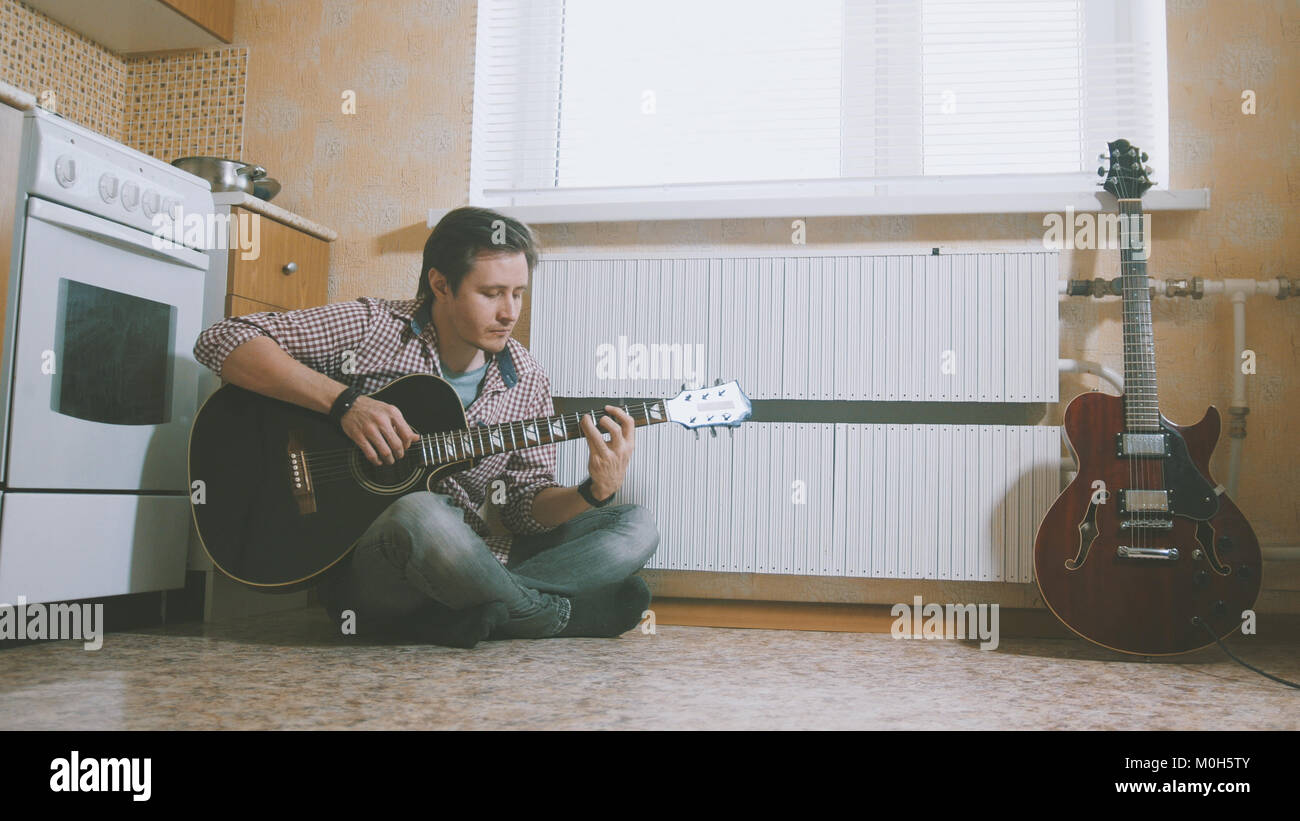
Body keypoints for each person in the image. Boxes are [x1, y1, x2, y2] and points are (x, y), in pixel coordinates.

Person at [193, 206, 658, 647]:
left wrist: (592, 492)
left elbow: (520, 510)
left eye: (518, 293)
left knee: (634, 525)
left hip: (466, 553)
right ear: (440, 284)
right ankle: (552, 615)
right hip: (376, 565)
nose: (509, 313)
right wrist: (345, 403)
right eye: (491, 293)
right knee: (422, 513)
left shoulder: (527, 379)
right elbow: (221, 339)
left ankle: (472, 612)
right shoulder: (374, 328)